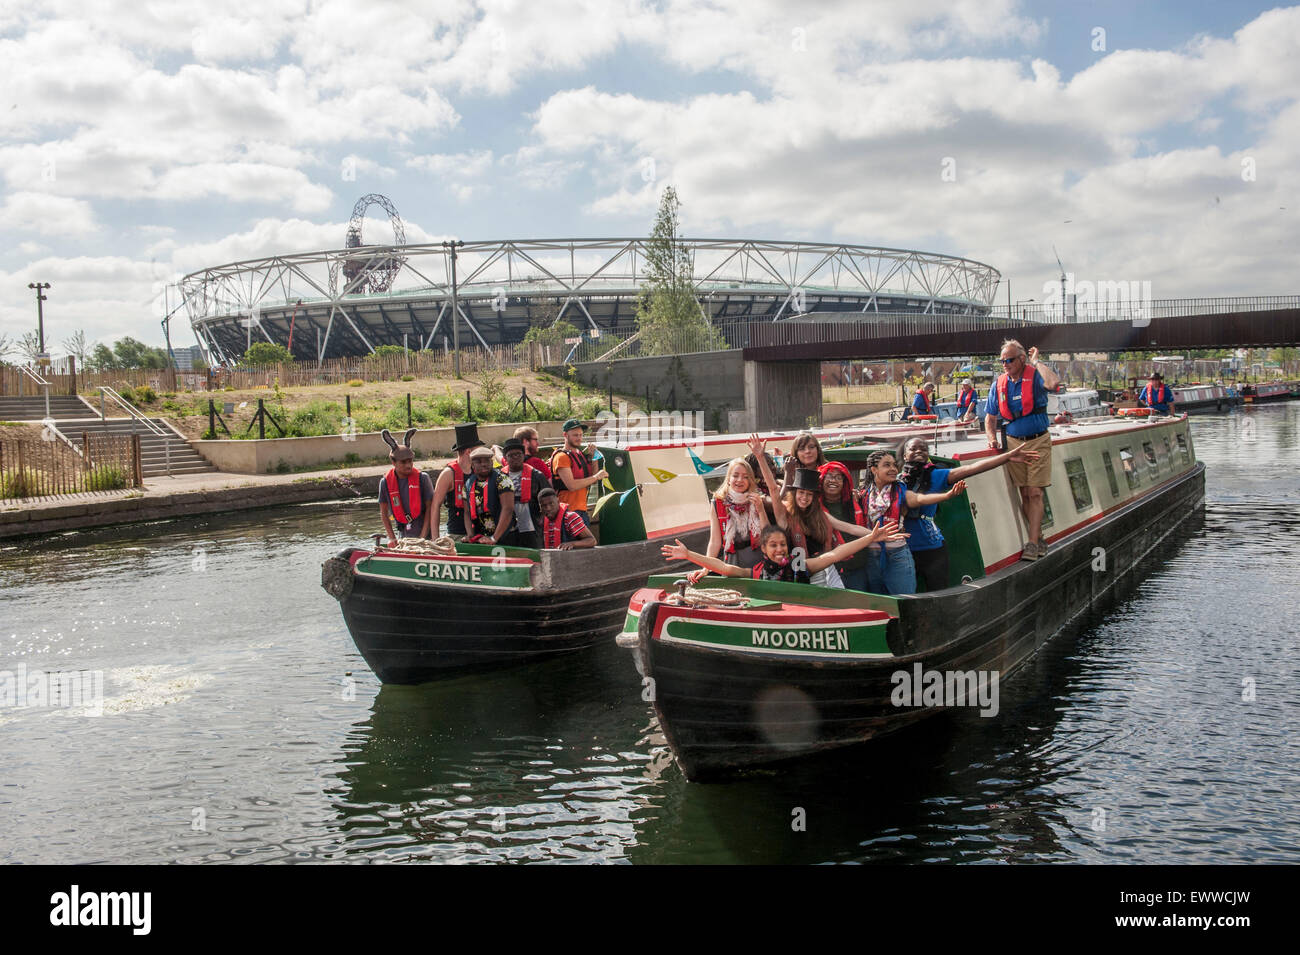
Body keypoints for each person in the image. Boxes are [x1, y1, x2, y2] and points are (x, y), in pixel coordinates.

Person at [898, 435, 1039, 591]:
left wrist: (1007, 457)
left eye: (923, 449)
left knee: (936, 592)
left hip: (931, 549)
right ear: (905, 455)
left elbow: (972, 468)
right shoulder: (896, 481)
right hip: (902, 549)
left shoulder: (936, 476)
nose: (919, 451)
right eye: (913, 449)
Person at [984, 339, 1060, 561]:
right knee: (1024, 492)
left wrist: (1037, 362)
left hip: (1038, 440)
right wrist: (991, 439)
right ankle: (1039, 536)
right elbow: (990, 418)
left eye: (1009, 360)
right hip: (1014, 443)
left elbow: (1053, 383)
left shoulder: (1035, 375)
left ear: (1022, 359)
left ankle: (1032, 543)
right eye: (1002, 361)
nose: (1005, 364)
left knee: (1035, 491)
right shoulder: (998, 384)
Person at [859, 448, 966, 596]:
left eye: (894, 465)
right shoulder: (863, 493)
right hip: (872, 556)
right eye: (887, 465)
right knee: (879, 599)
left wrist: (947, 496)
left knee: (904, 599)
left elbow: (919, 499)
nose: (892, 469)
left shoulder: (900, 490)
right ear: (874, 469)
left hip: (897, 554)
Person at [662, 522, 905, 585]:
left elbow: (834, 555)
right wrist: (689, 555)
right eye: (774, 546)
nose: (780, 549)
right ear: (764, 550)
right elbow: (724, 568)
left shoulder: (801, 566)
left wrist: (871, 538)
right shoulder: (756, 572)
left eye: (783, 545)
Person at [819, 461, 871, 591]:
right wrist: (876, 534)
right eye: (829, 476)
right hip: (829, 568)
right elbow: (848, 528)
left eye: (838, 477)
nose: (833, 480)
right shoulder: (815, 506)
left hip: (857, 568)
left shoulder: (854, 502)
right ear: (821, 479)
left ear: (844, 483)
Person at [378, 428, 434, 547]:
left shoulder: (423, 478)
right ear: (393, 462)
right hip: (403, 539)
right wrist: (392, 539)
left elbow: (430, 509)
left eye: (410, 461)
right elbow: (384, 513)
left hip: (425, 539)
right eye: (403, 462)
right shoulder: (385, 483)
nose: (408, 465)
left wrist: (422, 539)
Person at [432, 422, 481, 539]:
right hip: (456, 534)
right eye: (477, 449)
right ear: (469, 451)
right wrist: (435, 539)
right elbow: (435, 505)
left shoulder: (479, 470)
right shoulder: (448, 474)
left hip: (478, 533)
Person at [550, 417, 607, 515]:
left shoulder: (579, 454)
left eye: (581, 435)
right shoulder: (561, 457)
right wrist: (596, 476)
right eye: (575, 435)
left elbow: (592, 480)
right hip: (567, 511)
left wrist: (594, 458)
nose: (579, 438)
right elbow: (572, 486)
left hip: (581, 509)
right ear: (565, 435)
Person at [501, 437, 549, 548]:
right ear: (505, 458)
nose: (515, 457)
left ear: (524, 455)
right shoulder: (500, 477)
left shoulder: (537, 475)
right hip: (508, 523)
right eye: (511, 455)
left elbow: (548, 498)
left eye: (518, 454)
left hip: (531, 523)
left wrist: (541, 520)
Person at [463, 446, 515, 545]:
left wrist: (494, 538)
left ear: (492, 463)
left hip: (506, 536)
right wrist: (470, 535)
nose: (484, 464)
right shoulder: (468, 485)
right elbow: (466, 512)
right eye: (479, 462)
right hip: (483, 538)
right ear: (472, 465)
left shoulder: (502, 480)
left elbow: (508, 509)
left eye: (487, 461)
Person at [778, 431, 826, 496]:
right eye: (802, 449)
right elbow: (782, 501)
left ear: (818, 449)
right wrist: (788, 473)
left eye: (811, 447)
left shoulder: (828, 469)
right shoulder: (792, 473)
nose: (807, 451)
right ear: (796, 454)